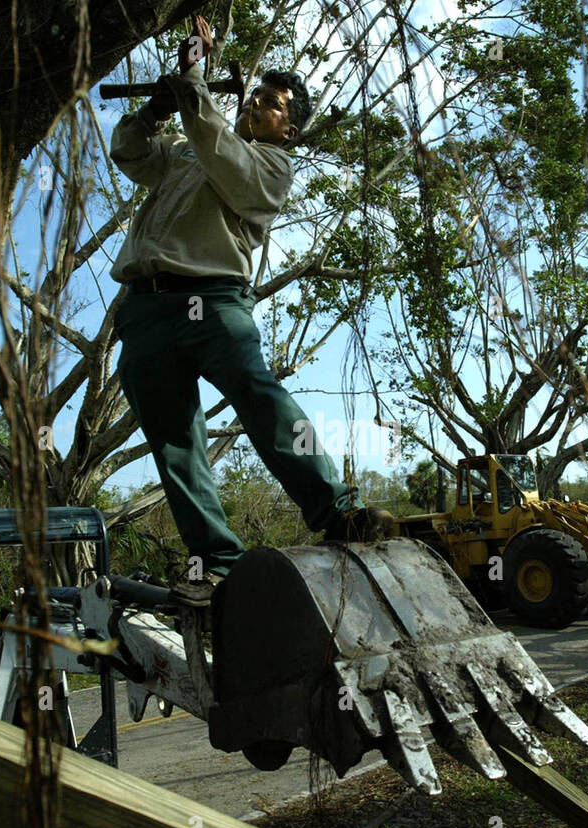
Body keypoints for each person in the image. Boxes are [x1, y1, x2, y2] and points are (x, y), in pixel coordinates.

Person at [109, 14, 392, 605]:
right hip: (144, 309)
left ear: (287, 130)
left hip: (211, 302)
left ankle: (336, 511)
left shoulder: (270, 166)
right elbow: (129, 153)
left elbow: (222, 154)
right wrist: (156, 108)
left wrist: (193, 83)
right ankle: (216, 563)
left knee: (260, 396)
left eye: (271, 104)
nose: (256, 104)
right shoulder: (187, 148)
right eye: (255, 96)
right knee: (175, 442)